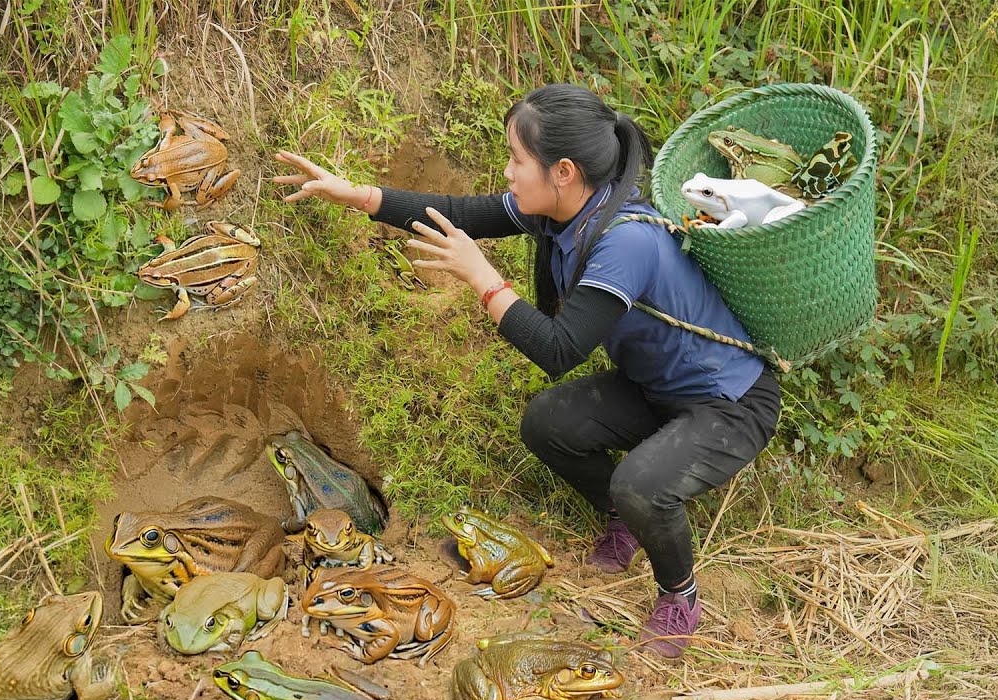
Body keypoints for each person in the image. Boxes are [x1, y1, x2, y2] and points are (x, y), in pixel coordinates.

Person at [272, 83, 781, 658]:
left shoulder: (626, 241)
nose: (509, 173)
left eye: (517, 160)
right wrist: (356, 194)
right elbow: (462, 214)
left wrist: (482, 278)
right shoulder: (564, 211)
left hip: (729, 402)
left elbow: (558, 349)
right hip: (656, 388)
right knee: (548, 423)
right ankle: (624, 519)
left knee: (640, 484)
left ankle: (680, 595)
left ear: (562, 171)